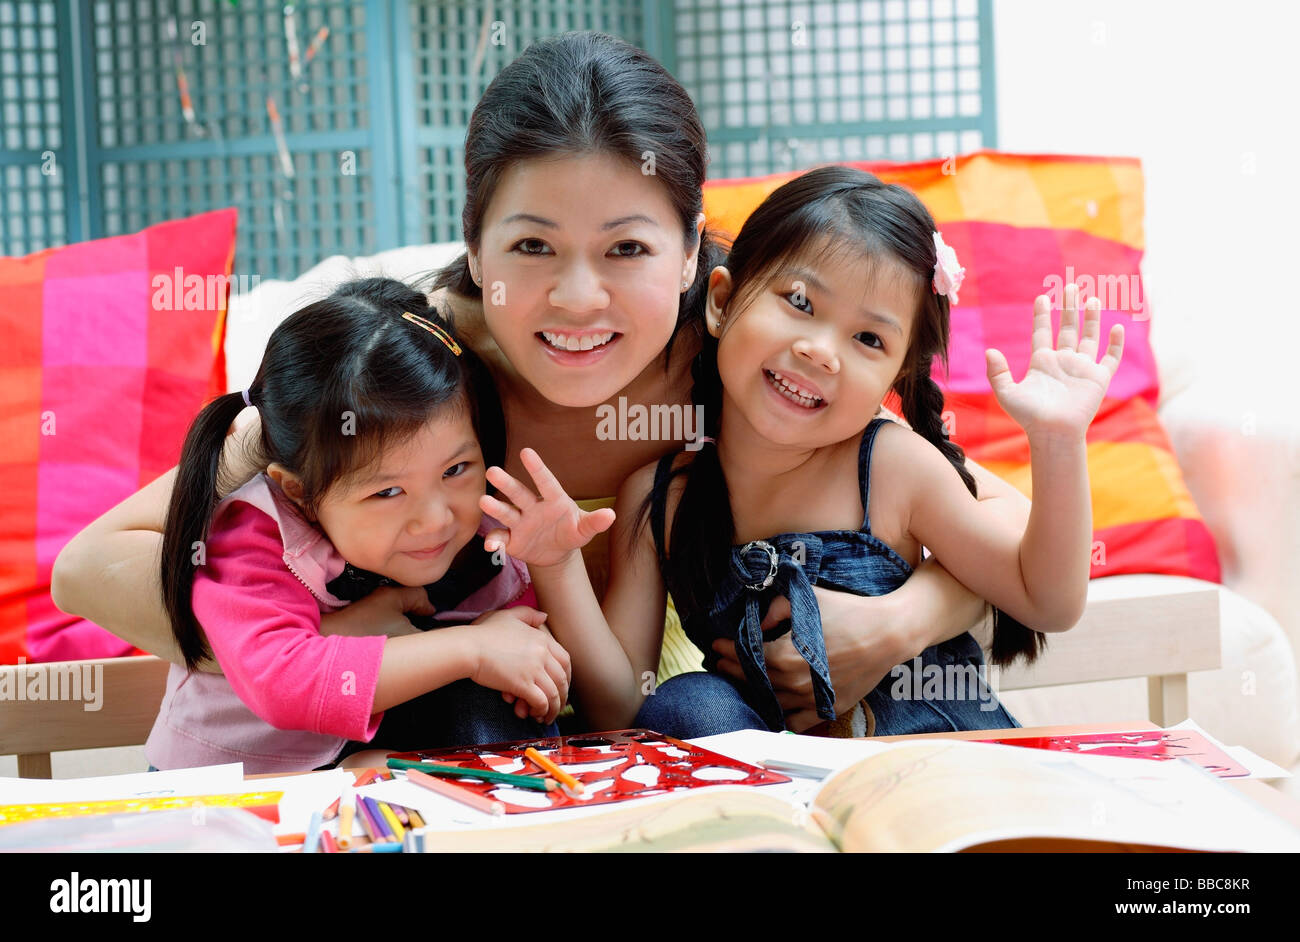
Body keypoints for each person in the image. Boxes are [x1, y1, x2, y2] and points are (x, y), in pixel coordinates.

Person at [53, 32, 1033, 741]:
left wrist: (901, 621)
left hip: (619, 690)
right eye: (532, 245)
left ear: (694, 255)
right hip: (460, 702)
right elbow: (90, 568)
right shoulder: (404, 368)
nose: (577, 298)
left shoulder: (736, 358)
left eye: (626, 248)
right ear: (474, 246)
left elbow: (993, 515)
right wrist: (325, 646)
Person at [479, 166, 1123, 737]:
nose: (821, 349)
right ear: (724, 301)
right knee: (685, 706)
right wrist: (559, 567)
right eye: (799, 302)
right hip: (772, 787)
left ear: (893, 382)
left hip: (919, 760)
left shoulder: (892, 468)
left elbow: (1048, 602)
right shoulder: (661, 495)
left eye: (868, 339)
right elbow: (620, 711)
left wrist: (1059, 442)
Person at [145, 277, 570, 773]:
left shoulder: (485, 532)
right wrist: (473, 647)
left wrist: (519, 656)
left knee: (487, 706)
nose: (436, 518)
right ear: (299, 492)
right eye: (386, 492)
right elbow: (282, 684)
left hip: (376, 768)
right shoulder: (253, 535)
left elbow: (521, 657)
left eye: (456, 470)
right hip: (241, 787)